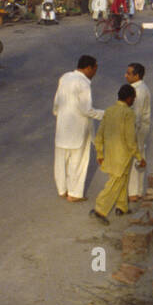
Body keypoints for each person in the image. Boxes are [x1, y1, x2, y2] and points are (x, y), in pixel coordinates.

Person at [90, 84, 146, 224]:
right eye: (133, 98)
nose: (133, 101)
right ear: (128, 98)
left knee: (123, 180)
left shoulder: (109, 111)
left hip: (110, 154)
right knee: (115, 183)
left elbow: (99, 135)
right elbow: (130, 139)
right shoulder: (128, 113)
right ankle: (100, 209)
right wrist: (139, 157)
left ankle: (122, 207)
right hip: (123, 156)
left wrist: (100, 154)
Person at [53, 55, 105, 201]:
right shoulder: (84, 84)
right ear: (88, 68)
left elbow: (57, 102)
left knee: (61, 160)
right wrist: (105, 114)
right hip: (78, 128)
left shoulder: (65, 77)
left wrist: (59, 114)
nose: (95, 73)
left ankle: (62, 189)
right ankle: (74, 193)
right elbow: (86, 110)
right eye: (95, 69)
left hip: (62, 126)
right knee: (78, 161)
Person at [124, 63, 151, 201]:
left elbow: (137, 115)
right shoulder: (139, 88)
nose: (126, 75)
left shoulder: (138, 91)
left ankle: (133, 193)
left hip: (138, 129)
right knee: (139, 156)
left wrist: (131, 133)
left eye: (129, 73)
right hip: (140, 128)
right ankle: (138, 191)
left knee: (135, 157)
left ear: (137, 75)